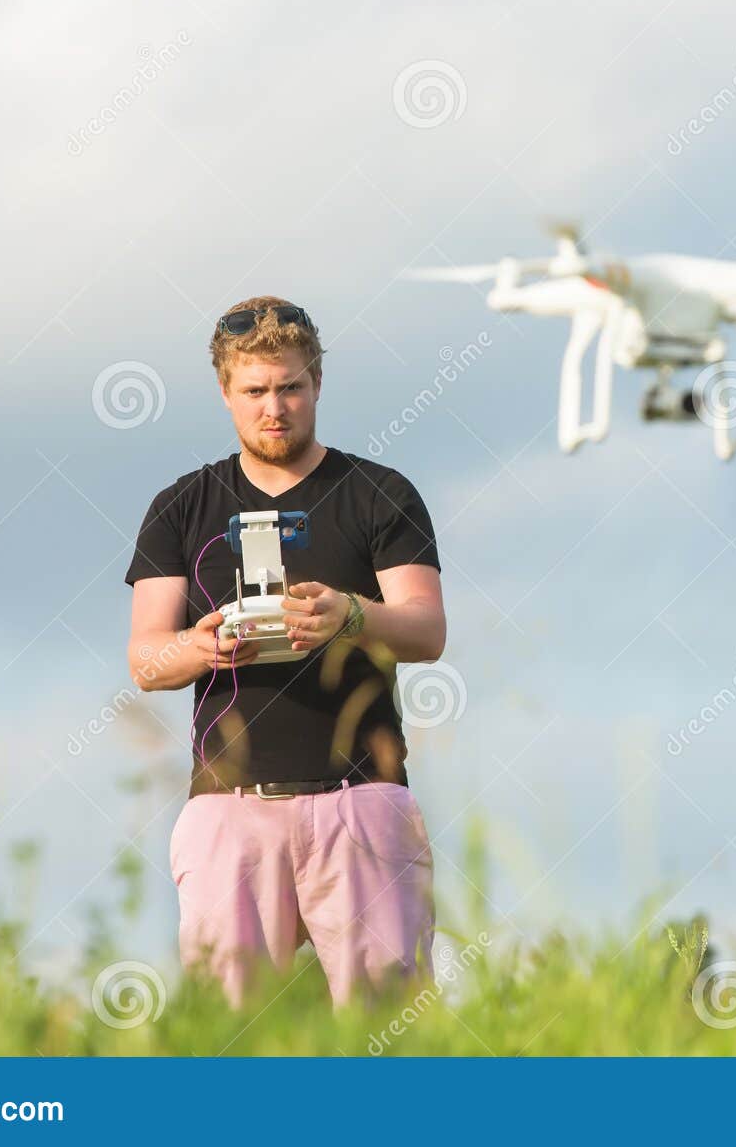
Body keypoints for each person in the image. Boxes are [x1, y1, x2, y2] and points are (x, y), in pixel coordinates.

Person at [123, 296, 446, 1009]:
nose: (276, 407)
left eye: (291, 386)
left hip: (361, 798)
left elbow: (428, 630)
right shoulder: (181, 507)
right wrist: (201, 646)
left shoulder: (379, 494)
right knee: (230, 1041)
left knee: (389, 1034)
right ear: (225, 392)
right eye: (257, 390)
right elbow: (145, 661)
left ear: (318, 383)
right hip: (229, 810)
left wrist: (350, 614)